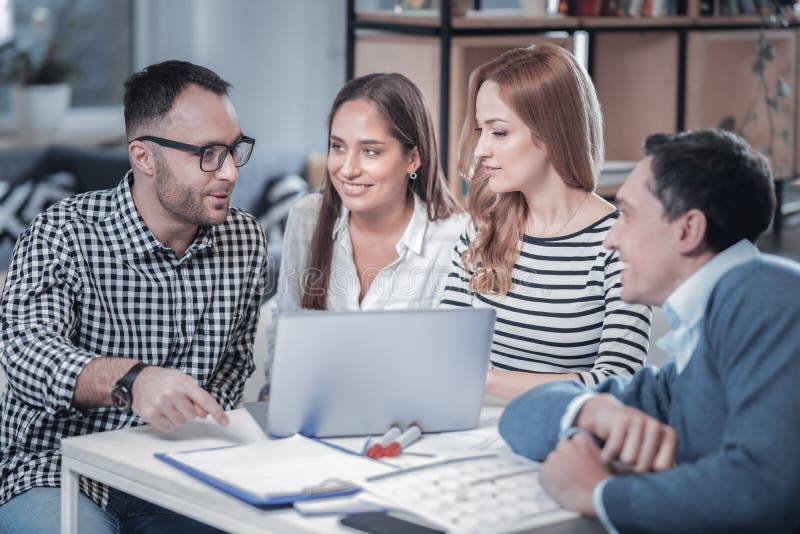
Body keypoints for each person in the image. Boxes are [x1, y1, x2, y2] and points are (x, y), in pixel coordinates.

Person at [0, 60, 267, 533]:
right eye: (207, 153)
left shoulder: (243, 239)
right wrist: (132, 381)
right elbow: (25, 353)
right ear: (144, 157)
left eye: (233, 149)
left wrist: (201, 427)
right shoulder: (62, 232)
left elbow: (233, 364)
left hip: (174, 474)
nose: (229, 172)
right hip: (56, 472)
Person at [499, 129, 800, 532]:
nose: (610, 239)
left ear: (687, 230)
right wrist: (591, 410)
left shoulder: (764, 292)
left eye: (626, 214)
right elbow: (521, 415)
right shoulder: (696, 353)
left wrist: (600, 493)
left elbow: (764, 489)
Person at [440, 44, 651, 399]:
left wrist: (486, 380)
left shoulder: (618, 244)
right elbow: (442, 350)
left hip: (563, 438)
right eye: (480, 130)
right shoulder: (482, 228)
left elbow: (619, 385)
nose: (480, 150)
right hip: (470, 433)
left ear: (551, 133)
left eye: (499, 132)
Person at [262, 72, 466, 395]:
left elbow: (453, 368)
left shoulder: (455, 237)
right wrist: (275, 394)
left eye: (370, 151)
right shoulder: (308, 217)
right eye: (337, 147)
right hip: (314, 416)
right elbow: (285, 330)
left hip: (412, 424)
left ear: (412, 158)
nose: (348, 168)